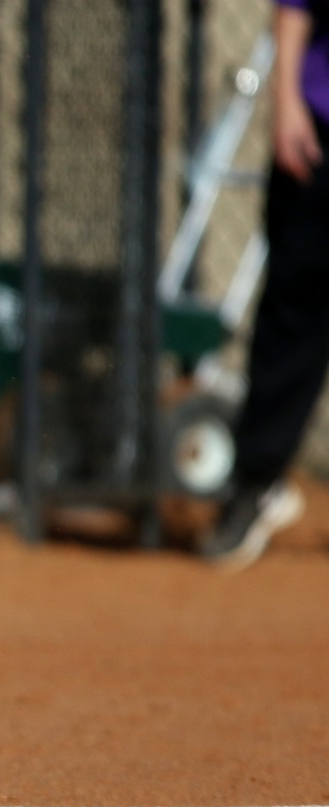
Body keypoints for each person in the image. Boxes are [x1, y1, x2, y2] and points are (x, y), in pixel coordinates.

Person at [203, 0, 329, 569]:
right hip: (320, 130)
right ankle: (256, 483)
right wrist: (287, 105)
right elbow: (296, 7)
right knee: (293, 313)